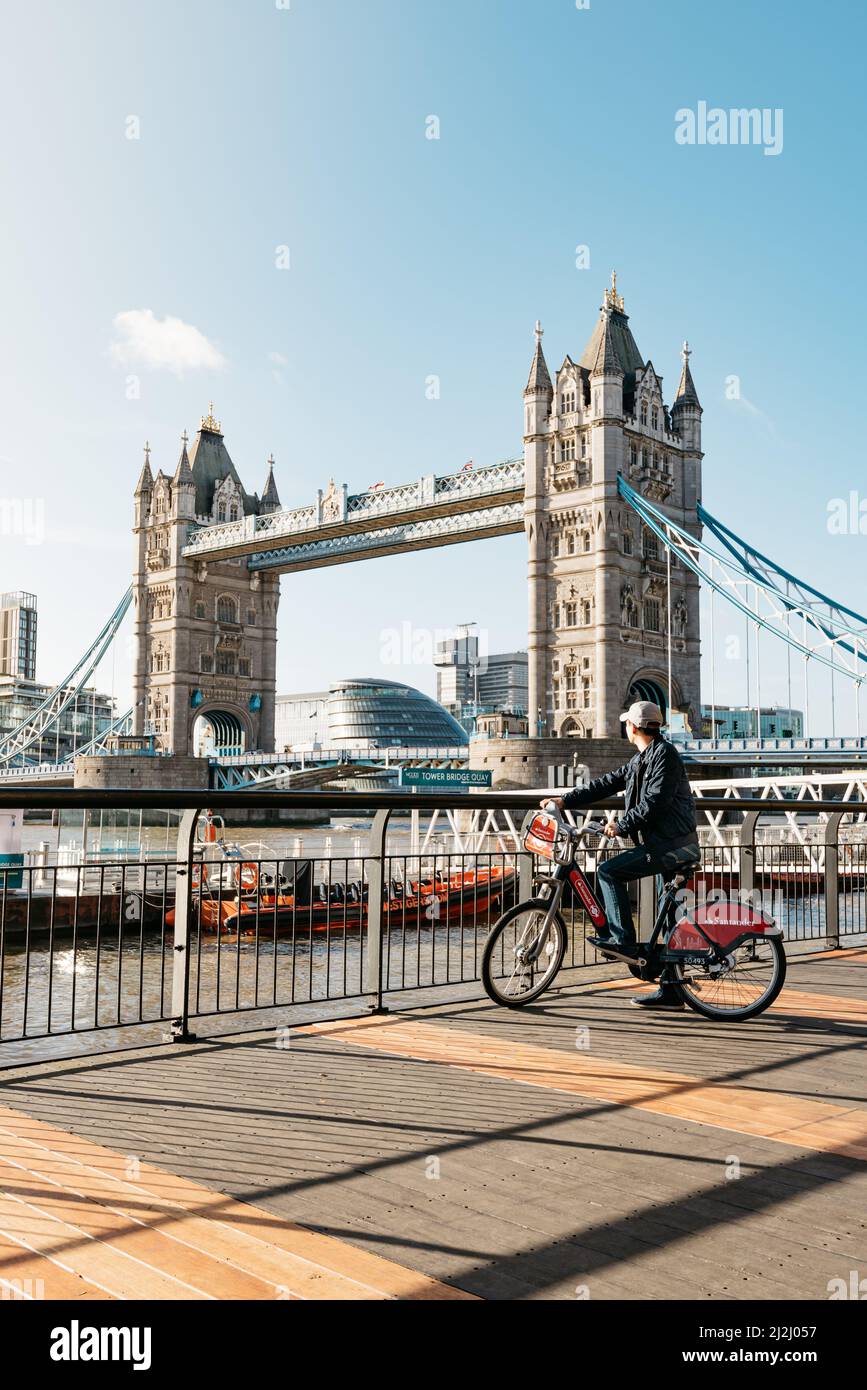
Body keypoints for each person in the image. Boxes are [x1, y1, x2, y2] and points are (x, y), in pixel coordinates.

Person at [546, 700, 699, 1011]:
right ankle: (672, 992)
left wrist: (622, 825)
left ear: (632, 727)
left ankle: (622, 942)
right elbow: (606, 784)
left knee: (607, 872)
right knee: (668, 916)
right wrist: (564, 800)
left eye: (625, 723)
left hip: (671, 846)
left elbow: (654, 802)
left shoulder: (664, 756)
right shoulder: (643, 758)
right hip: (665, 844)